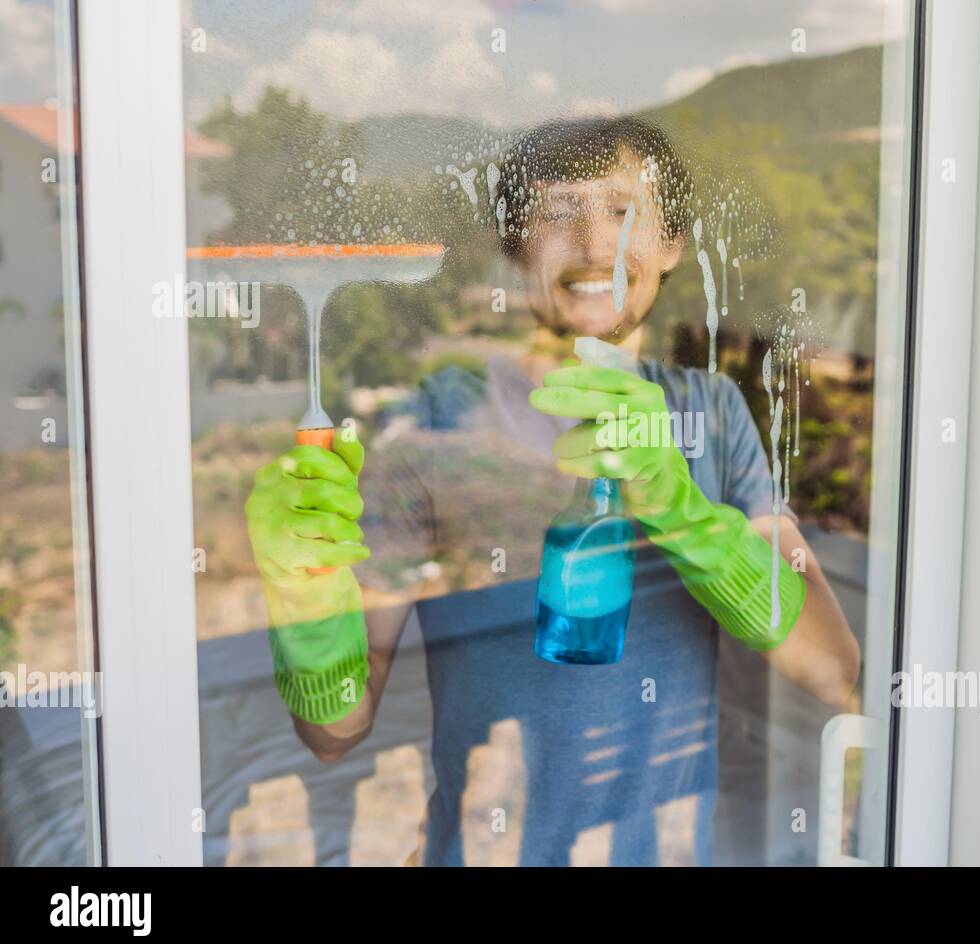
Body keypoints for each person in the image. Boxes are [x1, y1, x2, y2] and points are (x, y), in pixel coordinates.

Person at [243, 116, 860, 866]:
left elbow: (831, 669)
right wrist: (304, 603)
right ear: (514, 245)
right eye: (559, 211)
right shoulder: (436, 422)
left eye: (624, 208)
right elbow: (335, 735)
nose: (597, 244)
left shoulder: (712, 413)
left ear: (671, 242)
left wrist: (683, 512)